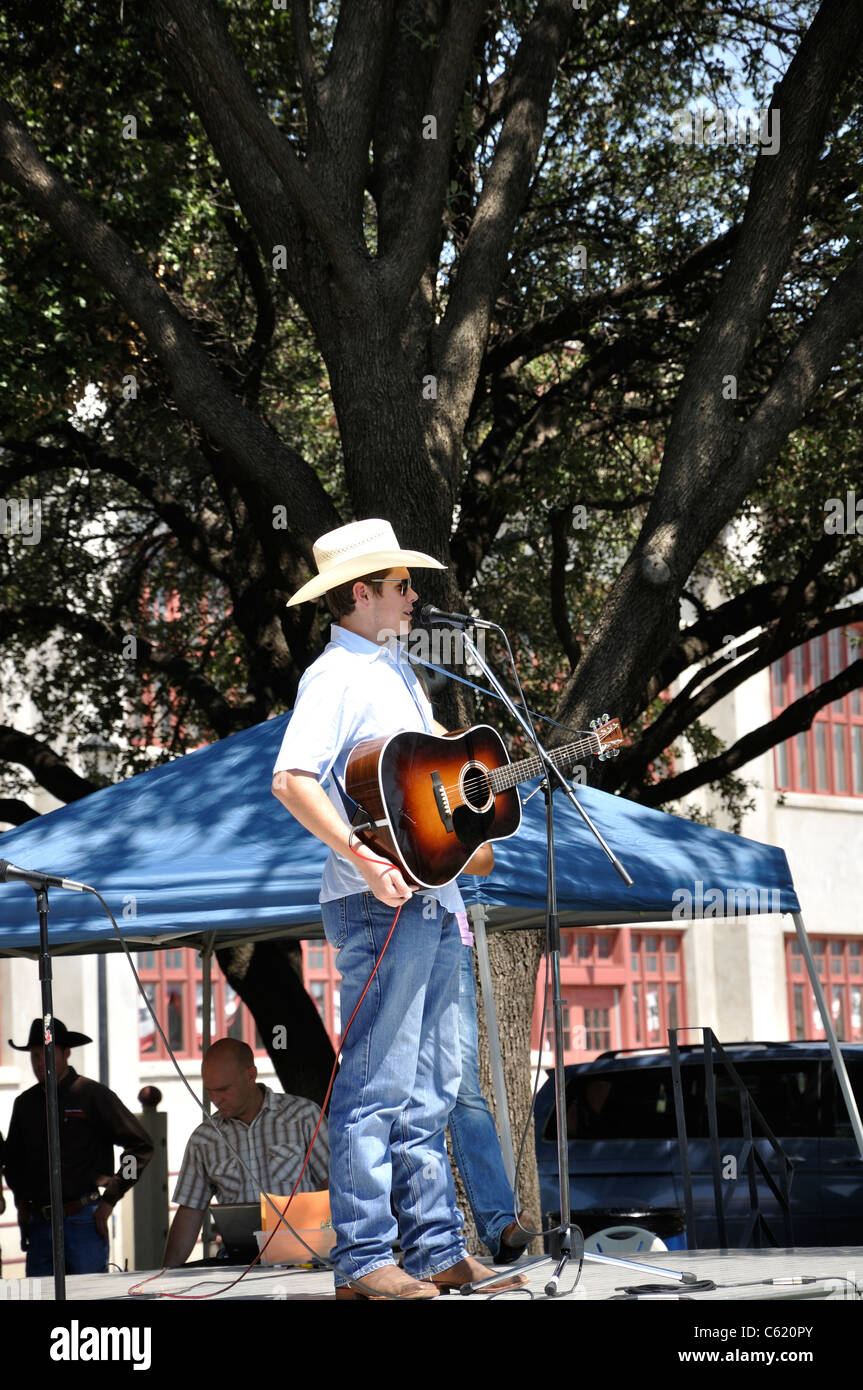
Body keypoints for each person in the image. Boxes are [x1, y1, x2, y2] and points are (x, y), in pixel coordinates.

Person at [272, 517, 527, 1300]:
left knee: (434, 1085)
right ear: (362, 593)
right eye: (401, 585)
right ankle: (362, 1261)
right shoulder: (335, 676)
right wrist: (361, 854)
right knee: (377, 1086)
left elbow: (422, 786)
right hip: (378, 904)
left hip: (433, 901)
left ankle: (436, 1249)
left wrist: (480, 784)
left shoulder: (396, 671)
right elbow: (293, 778)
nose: (415, 596)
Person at [4, 1017, 154, 1276]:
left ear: (66, 1052)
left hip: (84, 1219)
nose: (40, 1062)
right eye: (35, 1055)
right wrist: (20, 1203)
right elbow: (13, 1161)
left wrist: (111, 1197)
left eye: (47, 1054)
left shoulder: (92, 1095)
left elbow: (140, 1146)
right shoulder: (24, 1104)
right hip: (39, 1225)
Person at [163, 1037, 329, 1266]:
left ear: (251, 1075)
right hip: (240, 1263)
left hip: (306, 1258)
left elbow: (333, 1185)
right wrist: (166, 1276)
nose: (215, 1100)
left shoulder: (303, 1116)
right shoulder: (204, 1139)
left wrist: (337, 1248)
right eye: (209, 1091)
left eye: (223, 1089)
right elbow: (190, 1211)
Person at [449, 916, 536, 1263]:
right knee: (403, 1099)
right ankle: (420, 1241)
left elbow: (481, 862)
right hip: (394, 935)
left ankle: (501, 1226)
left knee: (467, 1096)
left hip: (451, 939)